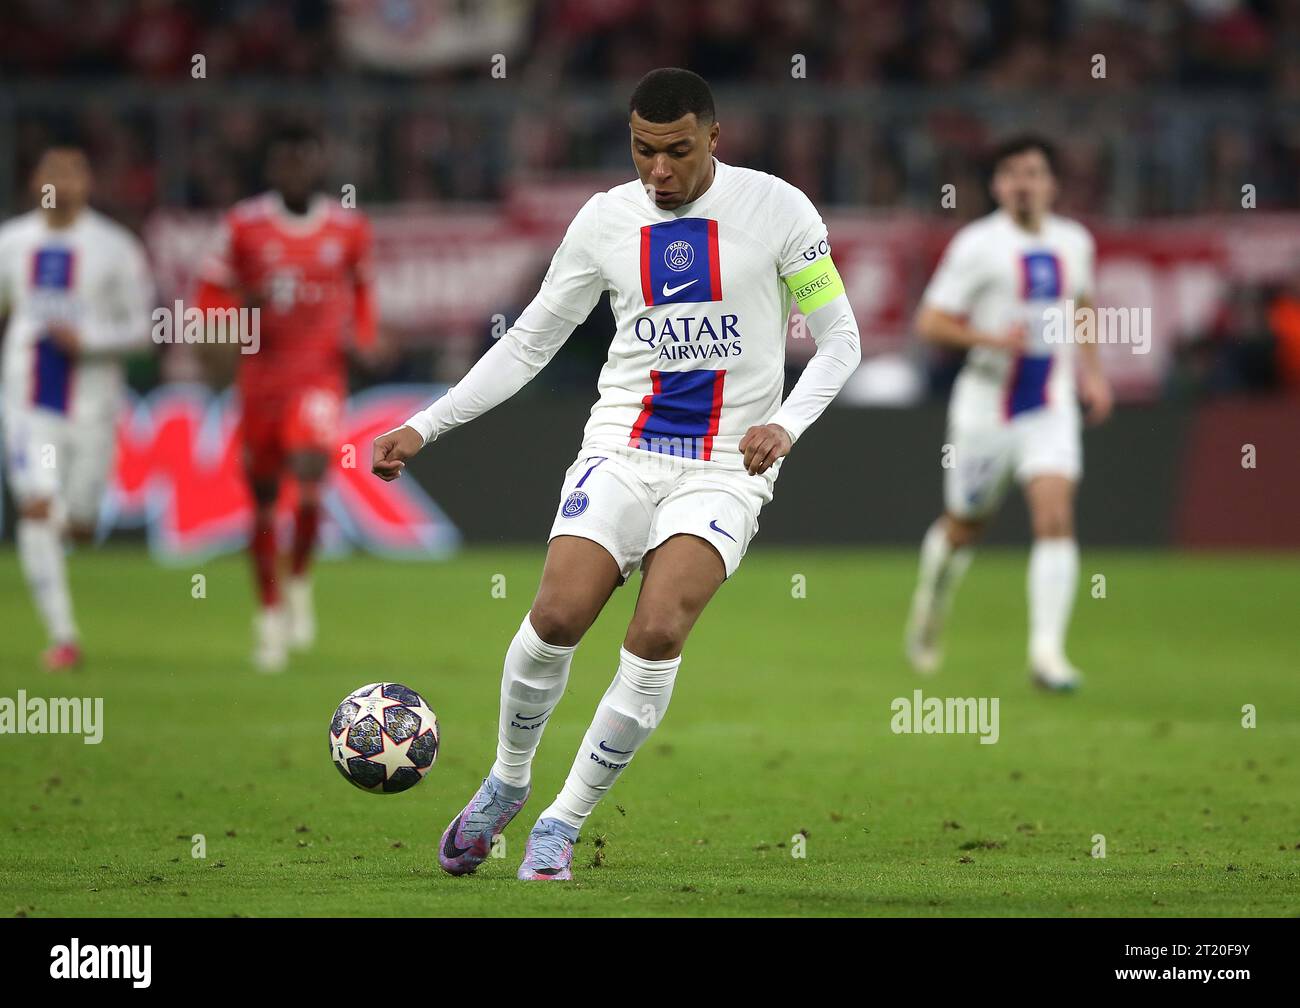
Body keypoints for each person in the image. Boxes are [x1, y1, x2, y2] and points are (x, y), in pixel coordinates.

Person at [372, 68, 862, 881]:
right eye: (643, 150)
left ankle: (561, 822)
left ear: (714, 138)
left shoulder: (779, 210)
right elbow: (530, 343)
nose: (658, 170)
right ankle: (507, 780)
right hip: (624, 448)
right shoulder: (604, 220)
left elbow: (840, 338)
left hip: (727, 464)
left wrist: (786, 423)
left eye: (676, 151)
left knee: (659, 629)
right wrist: (426, 424)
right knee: (560, 614)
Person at [904, 135, 1113, 690]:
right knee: (966, 525)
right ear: (997, 185)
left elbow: (1084, 305)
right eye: (1013, 173)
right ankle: (933, 599)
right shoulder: (977, 245)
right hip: (985, 405)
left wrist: (1092, 373)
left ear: (1052, 183)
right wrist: (992, 339)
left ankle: (1047, 656)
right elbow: (930, 322)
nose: (1024, 182)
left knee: (1054, 514)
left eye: (1034, 172)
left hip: (1049, 402)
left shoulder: (1075, 242)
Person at [196, 124, 376, 673]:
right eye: (285, 162)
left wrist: (364, 336)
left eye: (304, 159)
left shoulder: (347, 229)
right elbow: (209, 295)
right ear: (272, 169)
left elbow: (362, 291)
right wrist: (230, 319)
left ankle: (299, 579)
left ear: (318, 164)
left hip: (319, 376)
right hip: (260, 382)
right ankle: (271, 610)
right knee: (265, 499)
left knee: (309, 471)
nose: (295, 171)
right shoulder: (244, 227)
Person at [0, 144, 153, 671]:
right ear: (34, 179)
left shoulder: (114, 247)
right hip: (29, 403)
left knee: (81, 522)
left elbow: (143, 329)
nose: (60, 181)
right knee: (37, 508)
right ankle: (64, 636)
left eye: (71, 171)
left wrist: (85, 339)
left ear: (88, 182)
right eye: (50, 171)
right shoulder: (10, 243)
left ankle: (74, 518)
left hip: (92, 407)